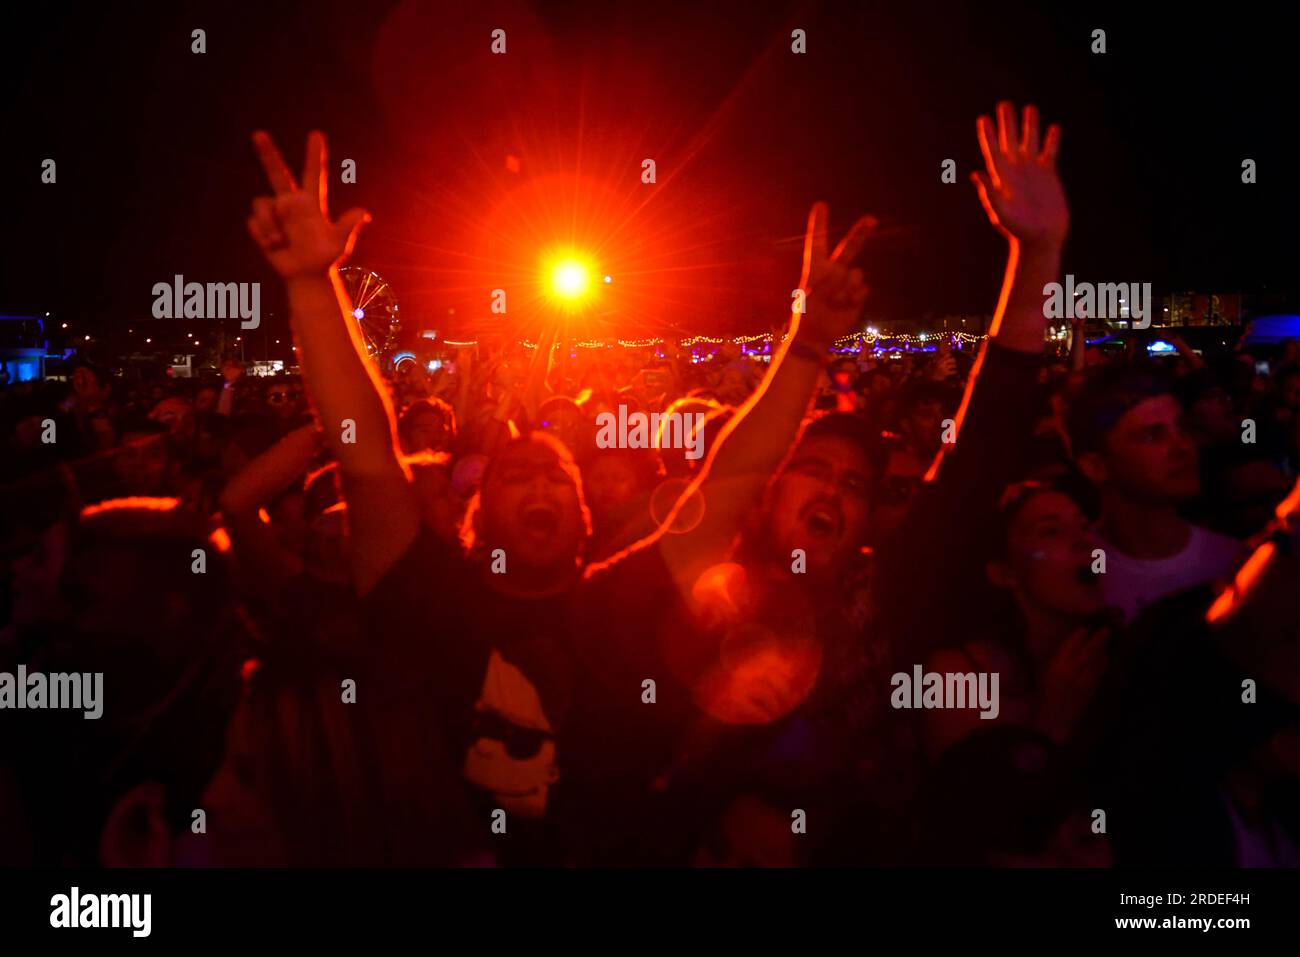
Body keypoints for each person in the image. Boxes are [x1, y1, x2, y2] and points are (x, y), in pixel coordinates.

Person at [1065, 363, 1243, 622]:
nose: (1183, 447)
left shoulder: (1235, 564)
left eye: (1181, 428)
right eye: (1152, 435)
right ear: (1096, 466)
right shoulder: (1071, 572)